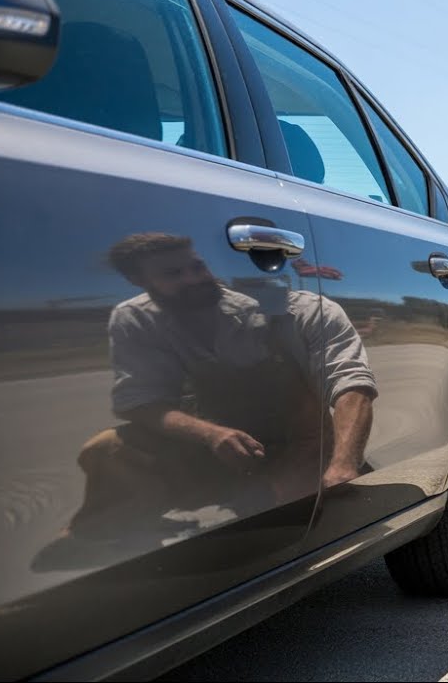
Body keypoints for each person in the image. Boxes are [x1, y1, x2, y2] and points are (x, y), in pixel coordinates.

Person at [58, 233, 377, 548]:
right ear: (137, 279)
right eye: (173, 274)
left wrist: (344, 465)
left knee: (273, 533)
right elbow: (138, 401)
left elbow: (353, 386)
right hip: (213, 445)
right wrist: (209, 435)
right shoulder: (135, 319)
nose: (193, 278)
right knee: (105, 450)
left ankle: (275, 501)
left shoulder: (300, 311)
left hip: (300, 443)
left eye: (197, 267)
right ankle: (132, 526)